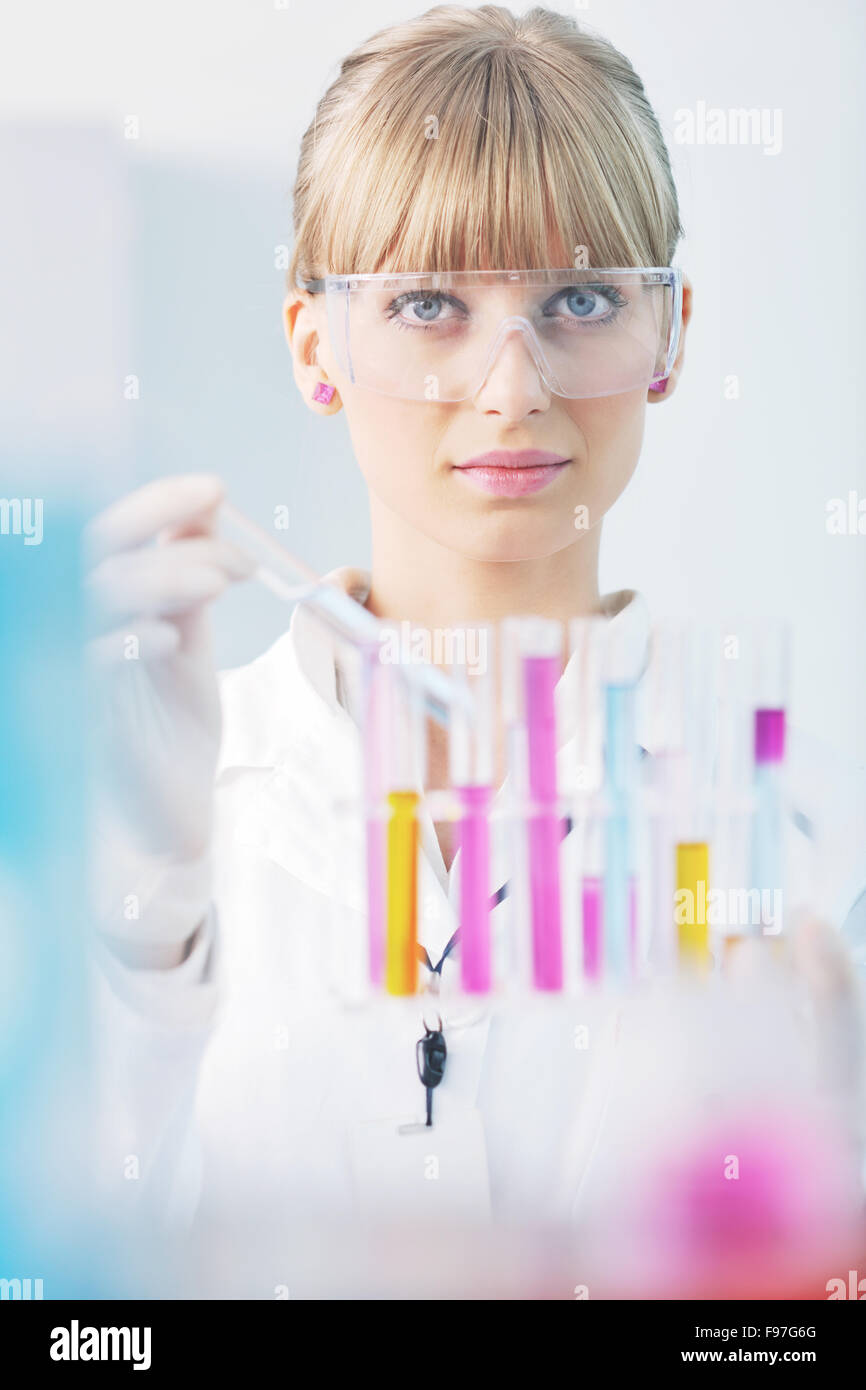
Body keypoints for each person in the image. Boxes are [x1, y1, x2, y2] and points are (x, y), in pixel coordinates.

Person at [86, 5, 866, 1261]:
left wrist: (811, 1248)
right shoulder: (179, 801)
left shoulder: (813, 833)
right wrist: (139, 916)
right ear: (315, 343)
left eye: (576, 296)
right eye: (430, 303)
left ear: (667, 331)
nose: (511, 387)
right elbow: (76, 1277)